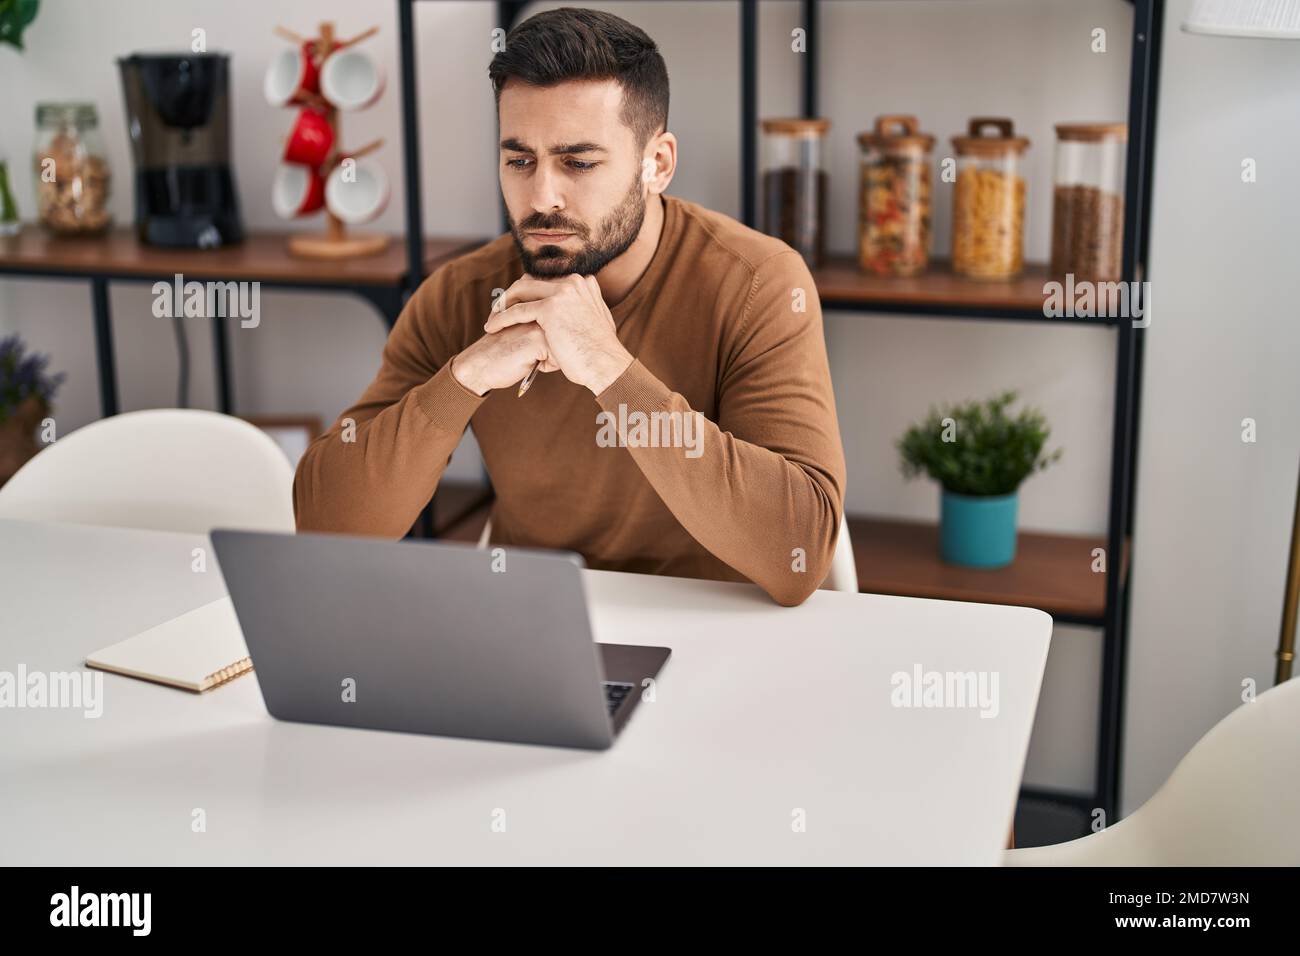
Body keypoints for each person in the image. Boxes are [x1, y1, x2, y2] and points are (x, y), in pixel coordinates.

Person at [293, 6, 846, 607]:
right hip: (535, 633)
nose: (542, 196)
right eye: (519, 160)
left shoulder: (758, 284)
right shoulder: (458, 297)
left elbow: (798, 553)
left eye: (578, 162)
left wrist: (609, 368)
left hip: (717, 633)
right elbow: (328, 527)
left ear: (655, 164)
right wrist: (467, 375)